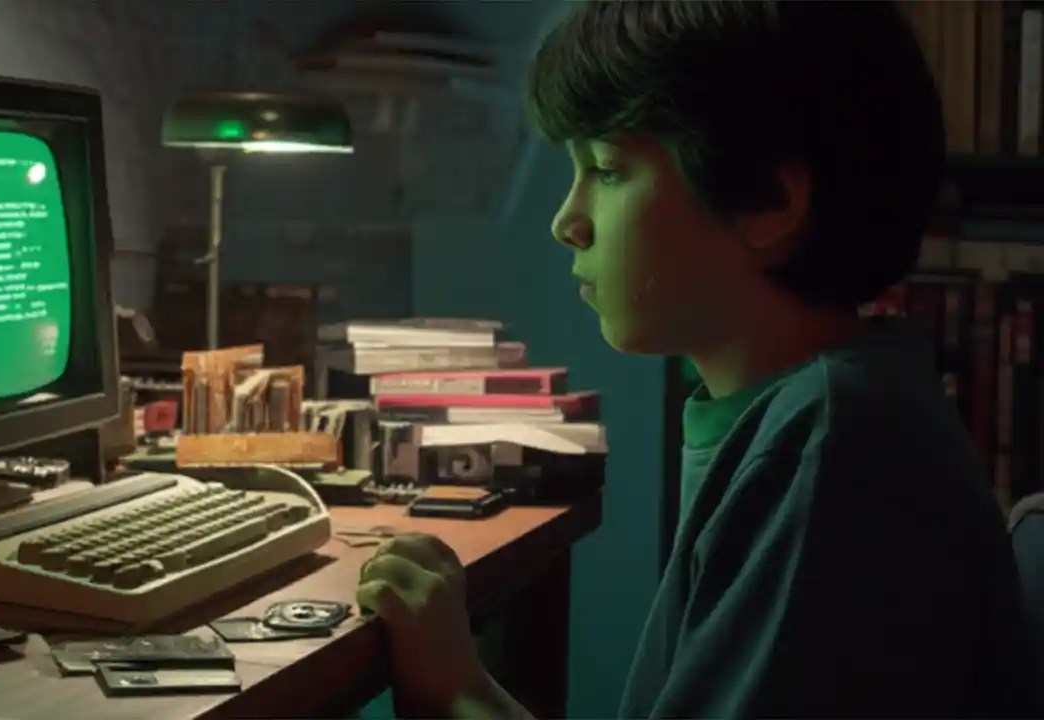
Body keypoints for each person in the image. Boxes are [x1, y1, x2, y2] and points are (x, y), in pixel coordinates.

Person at [355, 1, 1043, 718]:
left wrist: (458, 690)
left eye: (609, 169)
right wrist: (464, 682)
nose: (568, 222)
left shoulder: (833, 450)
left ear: (768, 201)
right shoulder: (817, 413)